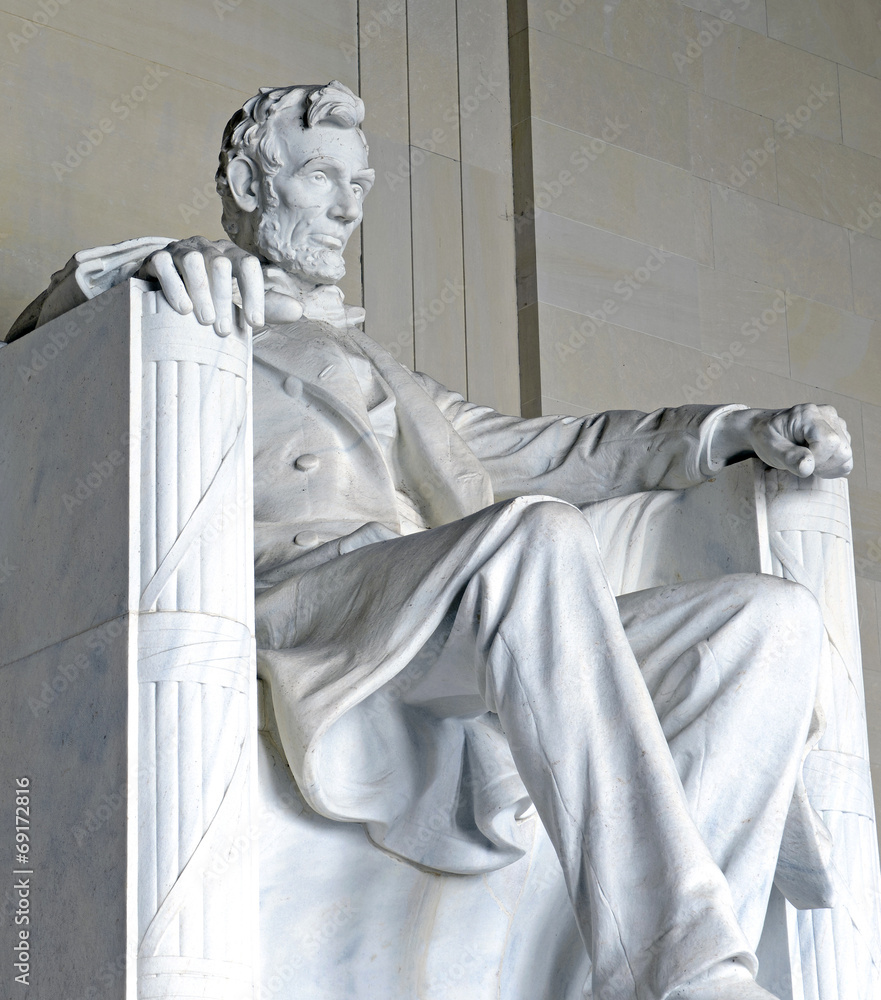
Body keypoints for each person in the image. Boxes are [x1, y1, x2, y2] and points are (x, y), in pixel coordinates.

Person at [10, 82, 854, 1000]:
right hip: (304, 604)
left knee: (764, 625)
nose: (347, 207)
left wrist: (734, 431)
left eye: (361, 184)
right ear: (251, 185)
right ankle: (687, 971)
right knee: (535, 540)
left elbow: (565, 450)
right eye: (320, 177)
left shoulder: (398, 381)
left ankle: (671, 971)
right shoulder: (190, 301)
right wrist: (138, 272)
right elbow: (36, 352)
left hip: (437, 607)